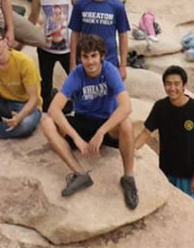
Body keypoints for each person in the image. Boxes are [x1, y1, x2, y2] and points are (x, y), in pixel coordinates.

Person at [41, 34, 138, 209]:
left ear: (101, 56)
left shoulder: (109, 71)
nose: (90, 62)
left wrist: (101, 132)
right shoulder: (77, 74)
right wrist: (76, 138)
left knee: (126, 122)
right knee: (47, 122)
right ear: (80, 58)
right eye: (85, 57)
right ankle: (79, 173)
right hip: (82, 122)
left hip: (105, 124)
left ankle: (128, 177)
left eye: (94, 56)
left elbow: (126, 107)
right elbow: (54, 109)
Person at [135, 65, 194, 205]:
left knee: (193, 211)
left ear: (184, 85)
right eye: (168, 84)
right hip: (167, 171)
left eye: (177, 84)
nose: (172, 88)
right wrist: (130, 149)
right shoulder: (160, 107)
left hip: (190, 175)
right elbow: (146, 132)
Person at [29, 0, 82, 110]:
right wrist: (20, 40)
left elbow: (82, 16)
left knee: (77, 81)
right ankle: (48, 112)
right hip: (46, 46)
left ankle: (79, 109)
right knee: (45, 86)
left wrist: (83, 43)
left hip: (69, 47)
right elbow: (33, 17)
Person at [69, 0, 129, 78]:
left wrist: (123, 65)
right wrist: (72, 63)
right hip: (86, 62)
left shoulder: (117, 6)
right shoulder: (80, 4)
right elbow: (75, 34)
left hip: (110, 63)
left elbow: (123, 35)